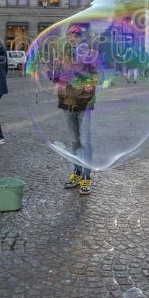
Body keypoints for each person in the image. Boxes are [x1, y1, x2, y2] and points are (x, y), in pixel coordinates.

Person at [56, 24, 98, 195]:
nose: (72, 38)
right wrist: (53, 70)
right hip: (67, 102)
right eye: (70, 36)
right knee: (74, 141)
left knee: (85, 141)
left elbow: (96, 76)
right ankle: (77, 173)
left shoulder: (90, 55)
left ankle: (87, 177)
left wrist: (91, 83)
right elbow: (58, 78)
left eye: (75, 36)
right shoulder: (63, 56)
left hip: (85, 103)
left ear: (81, 38)